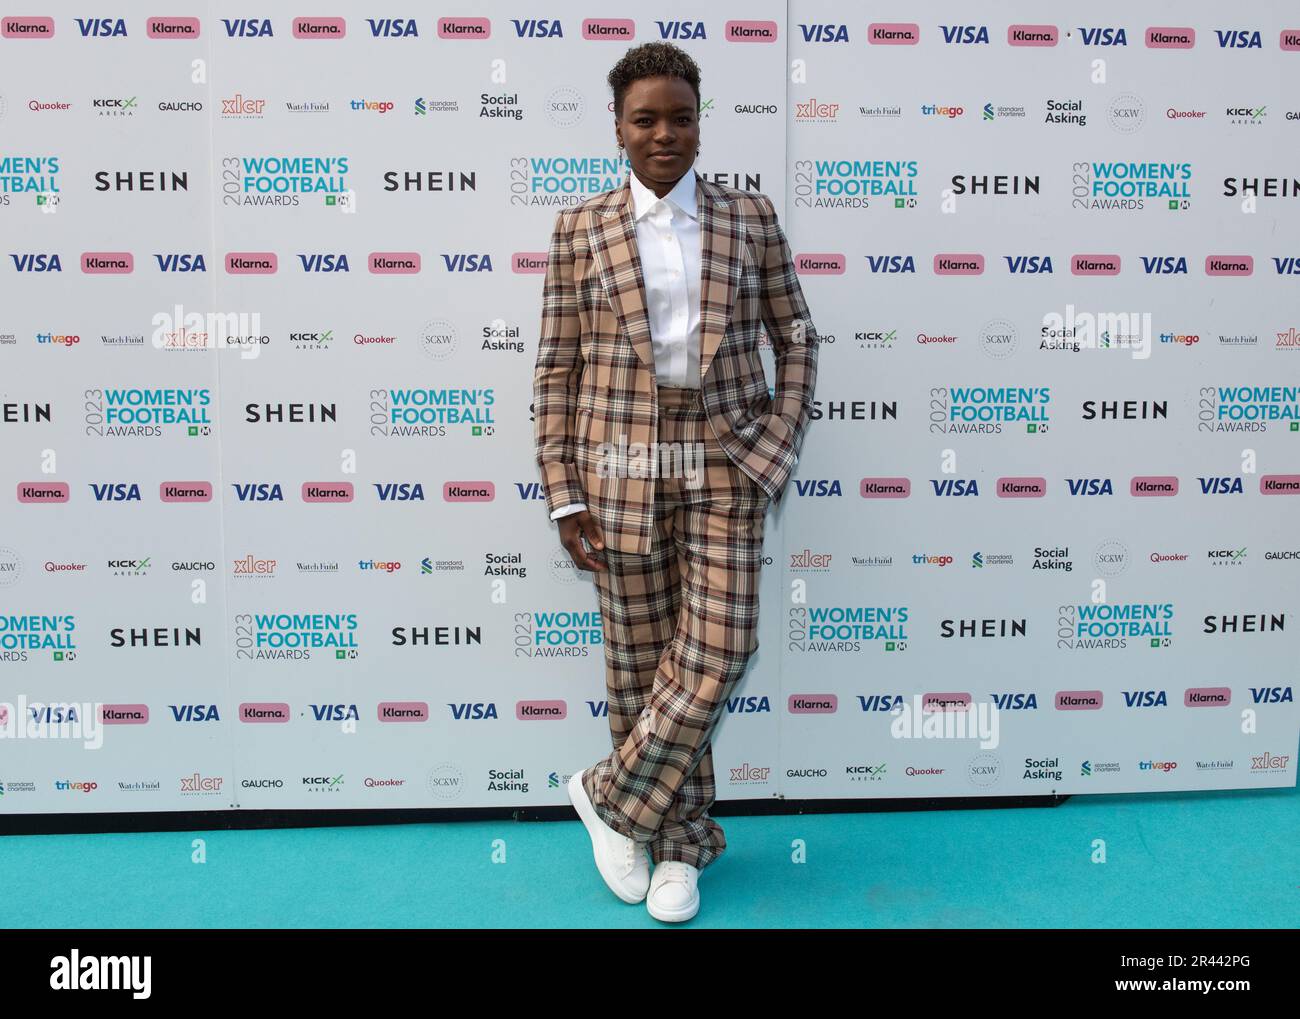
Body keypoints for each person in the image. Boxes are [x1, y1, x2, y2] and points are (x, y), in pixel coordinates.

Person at [532, 41, 819, 922]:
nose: (665, 134)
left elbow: (796, 337)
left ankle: (608, 797)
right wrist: (565, 491)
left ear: (702, 122)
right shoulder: (581, 228)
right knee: (640, 666)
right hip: (616, 469)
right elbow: (556, 369)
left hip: (724, 458)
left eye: (681, 117)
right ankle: (676, 848)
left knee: (721, 649)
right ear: (616, 127)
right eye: (645, 119)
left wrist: (771, 449)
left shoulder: (748, 218)